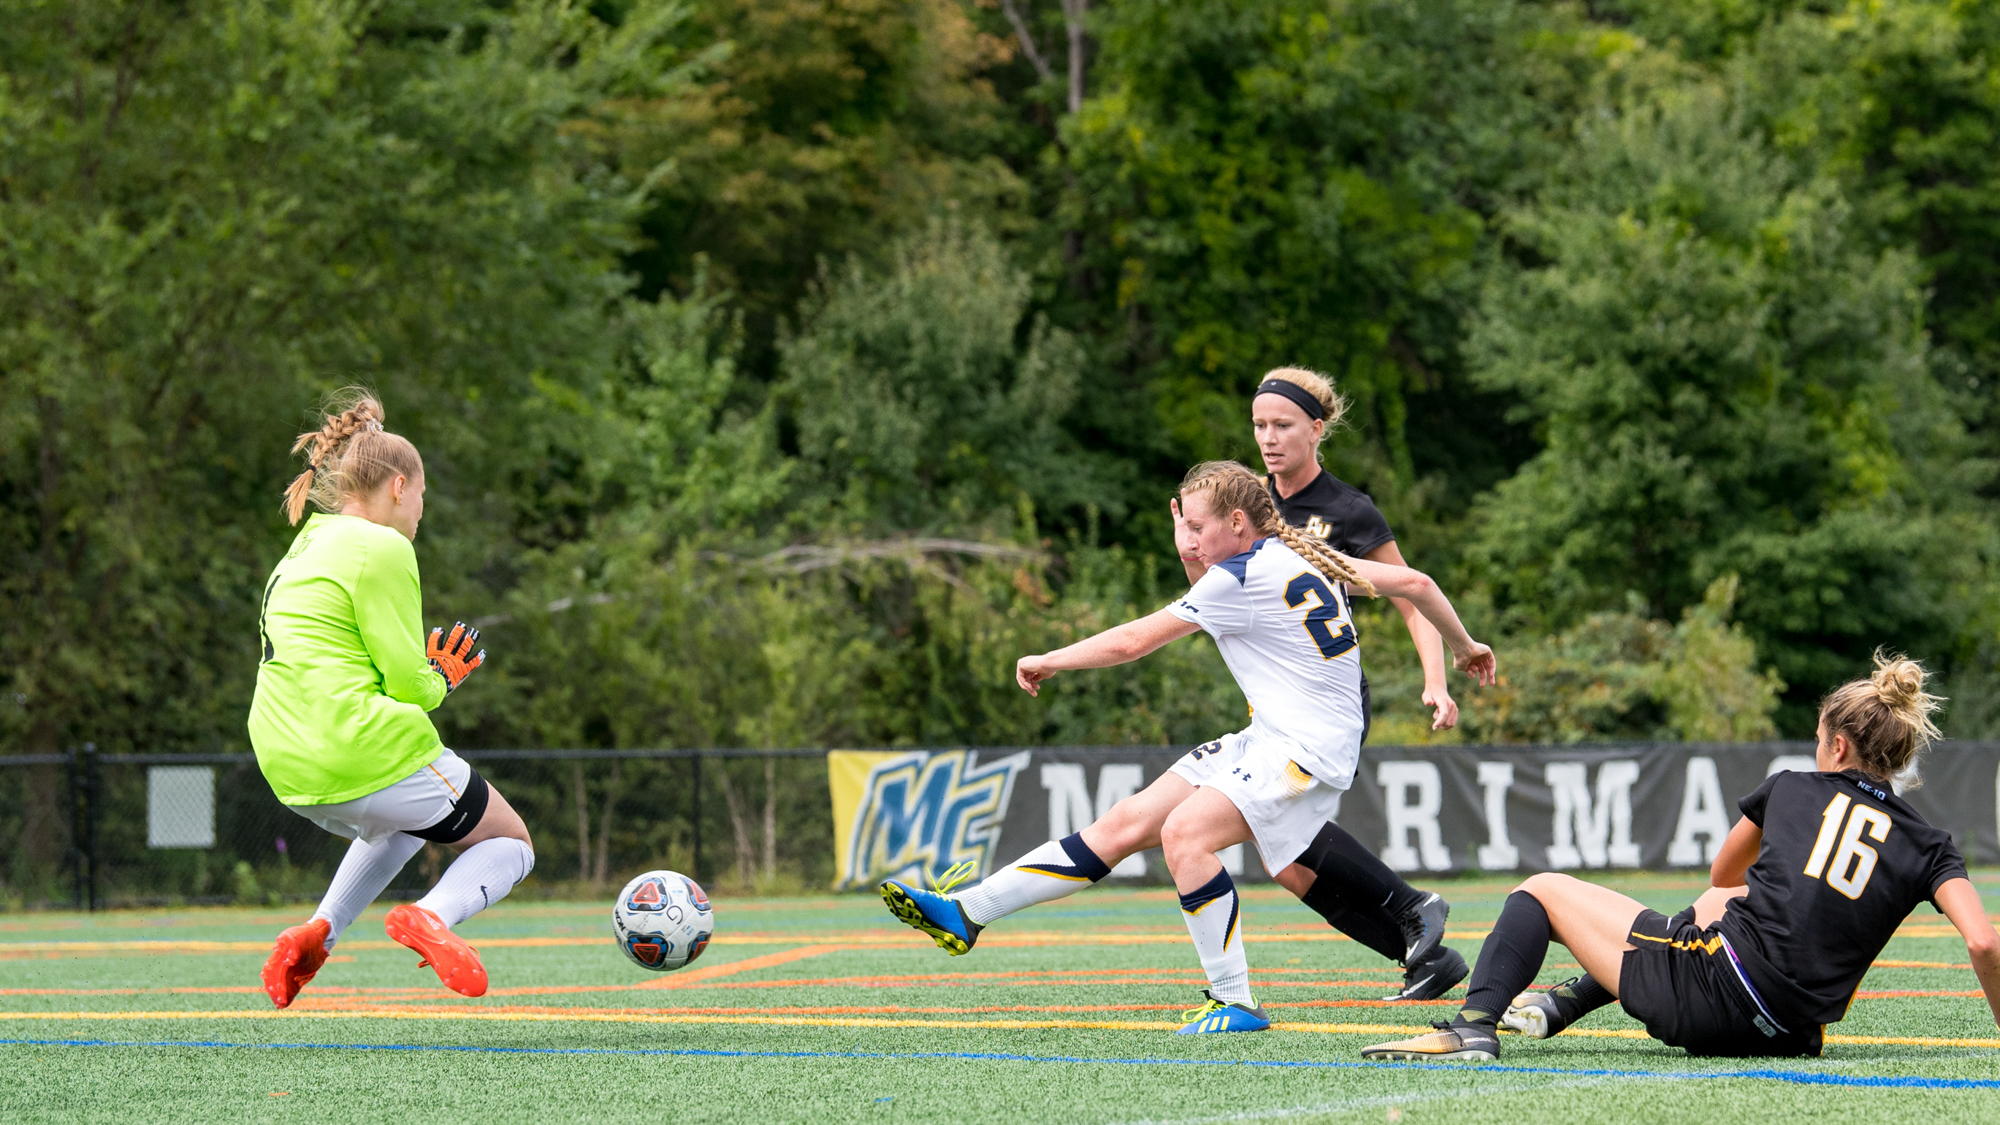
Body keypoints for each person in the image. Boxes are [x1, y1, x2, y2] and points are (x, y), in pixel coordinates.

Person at [880, 461, 1497, 1033]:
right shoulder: (1297, 554)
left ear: (1238, 522)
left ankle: (1236, 1000)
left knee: (1186, 836)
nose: (1193, 538)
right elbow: (1416, 582)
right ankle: (969, 912)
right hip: (1277, 737)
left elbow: (1132, 643)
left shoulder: (1240, 576)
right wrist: (1465, 646)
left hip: (1304, 749)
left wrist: (1051, 658)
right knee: (1125, 824)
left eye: (1199, 527)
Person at [1360, 652, 2000, 1061]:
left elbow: (1723, 874)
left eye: (1817, 741)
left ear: (1836, 746)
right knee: (1722, 906)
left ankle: (1474, 1026)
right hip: (1790, 1037)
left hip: (1709, 999)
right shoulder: (1930, 844)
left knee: (1541, 889)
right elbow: (1984, 944)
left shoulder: (1791, 786)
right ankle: (1564, 1003)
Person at [252, 390, 535, 1009]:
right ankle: (432, 916)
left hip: (284, 761)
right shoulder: (383, 547)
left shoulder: (302, 548)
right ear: (400, 486)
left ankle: (319, 931)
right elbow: (410, 686)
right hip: (357, 745)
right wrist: (443, 676)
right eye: (423, 496)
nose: (421, 513)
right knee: (511, 843)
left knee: (405, 822)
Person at [1227, 366, 1469, 1000]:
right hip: (1269, 702)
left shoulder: (1348, 510)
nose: (1268, 438)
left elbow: (1411, 597)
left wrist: (1436, 680)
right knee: (1284, 863)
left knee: (1276, 825)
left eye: (1283, 425)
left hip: (1324, 701)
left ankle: (1414, 904)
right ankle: (1422, 957)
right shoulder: (1247, 502)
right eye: (1259, 425)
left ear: (1316, 428)